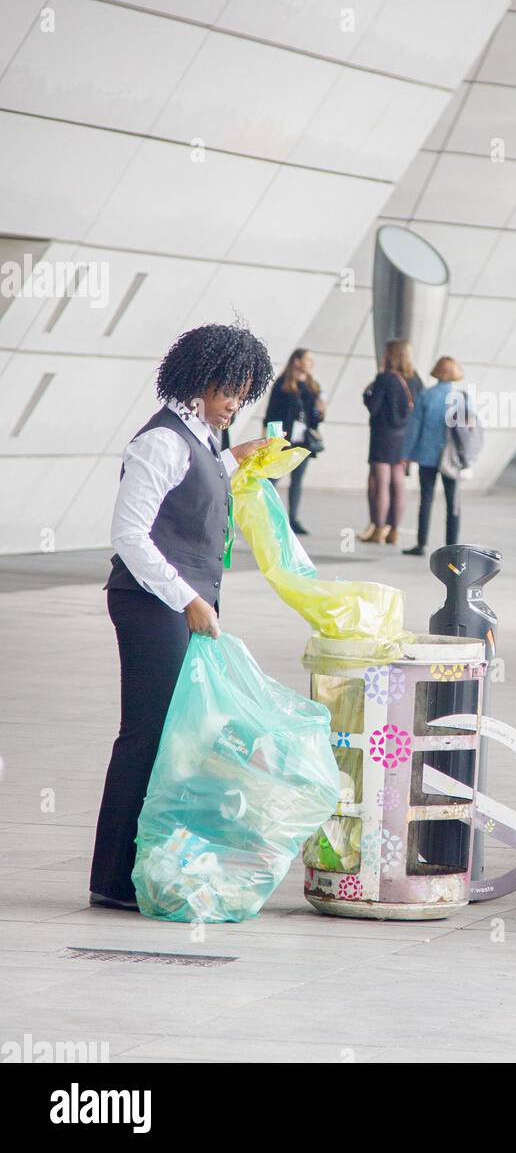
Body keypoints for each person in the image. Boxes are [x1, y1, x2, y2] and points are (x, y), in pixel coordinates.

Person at [90, 323, 272, 909]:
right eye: (228, 393)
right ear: (199, 382)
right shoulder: (161, 442)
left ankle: (142, 865)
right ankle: (112, 879)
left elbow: (200, 479)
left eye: (243, 395)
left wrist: (234, 460)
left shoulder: (199, 436)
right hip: (151, 604)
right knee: (146, 735)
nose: (234, 406)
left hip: (176, 605)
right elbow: (130, 535)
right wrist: (187, 598)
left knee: (172, 736)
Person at [403, 356, 466, 557]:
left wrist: (407, 455)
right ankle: (452, 547)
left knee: (426, 499)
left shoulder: (425, 395)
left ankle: (421, 544)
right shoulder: (462, 397)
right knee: (453, 503)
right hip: (452, 457)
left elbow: (414, 428)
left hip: (427, 455)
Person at [361, 339, 421, 544]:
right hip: (405, 436)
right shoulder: (415, 379)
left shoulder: (385, 378)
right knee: (398, 483)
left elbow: (374, 406)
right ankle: (394, 531)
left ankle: (378, 529)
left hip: (383, 435)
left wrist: (367, 393)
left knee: (380, 483)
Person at [263, 347, 325, 535]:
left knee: (297, 481)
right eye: (308, 359)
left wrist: (321, 412)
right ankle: (267, 516)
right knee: (272, 478)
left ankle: (294, 519)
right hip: (284, 439)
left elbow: (315, 418)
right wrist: (268, 438)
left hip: (303, 441)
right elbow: (271, 413)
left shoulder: (313, 386)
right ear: (297, 361)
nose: (311, 364)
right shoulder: (283, 384)